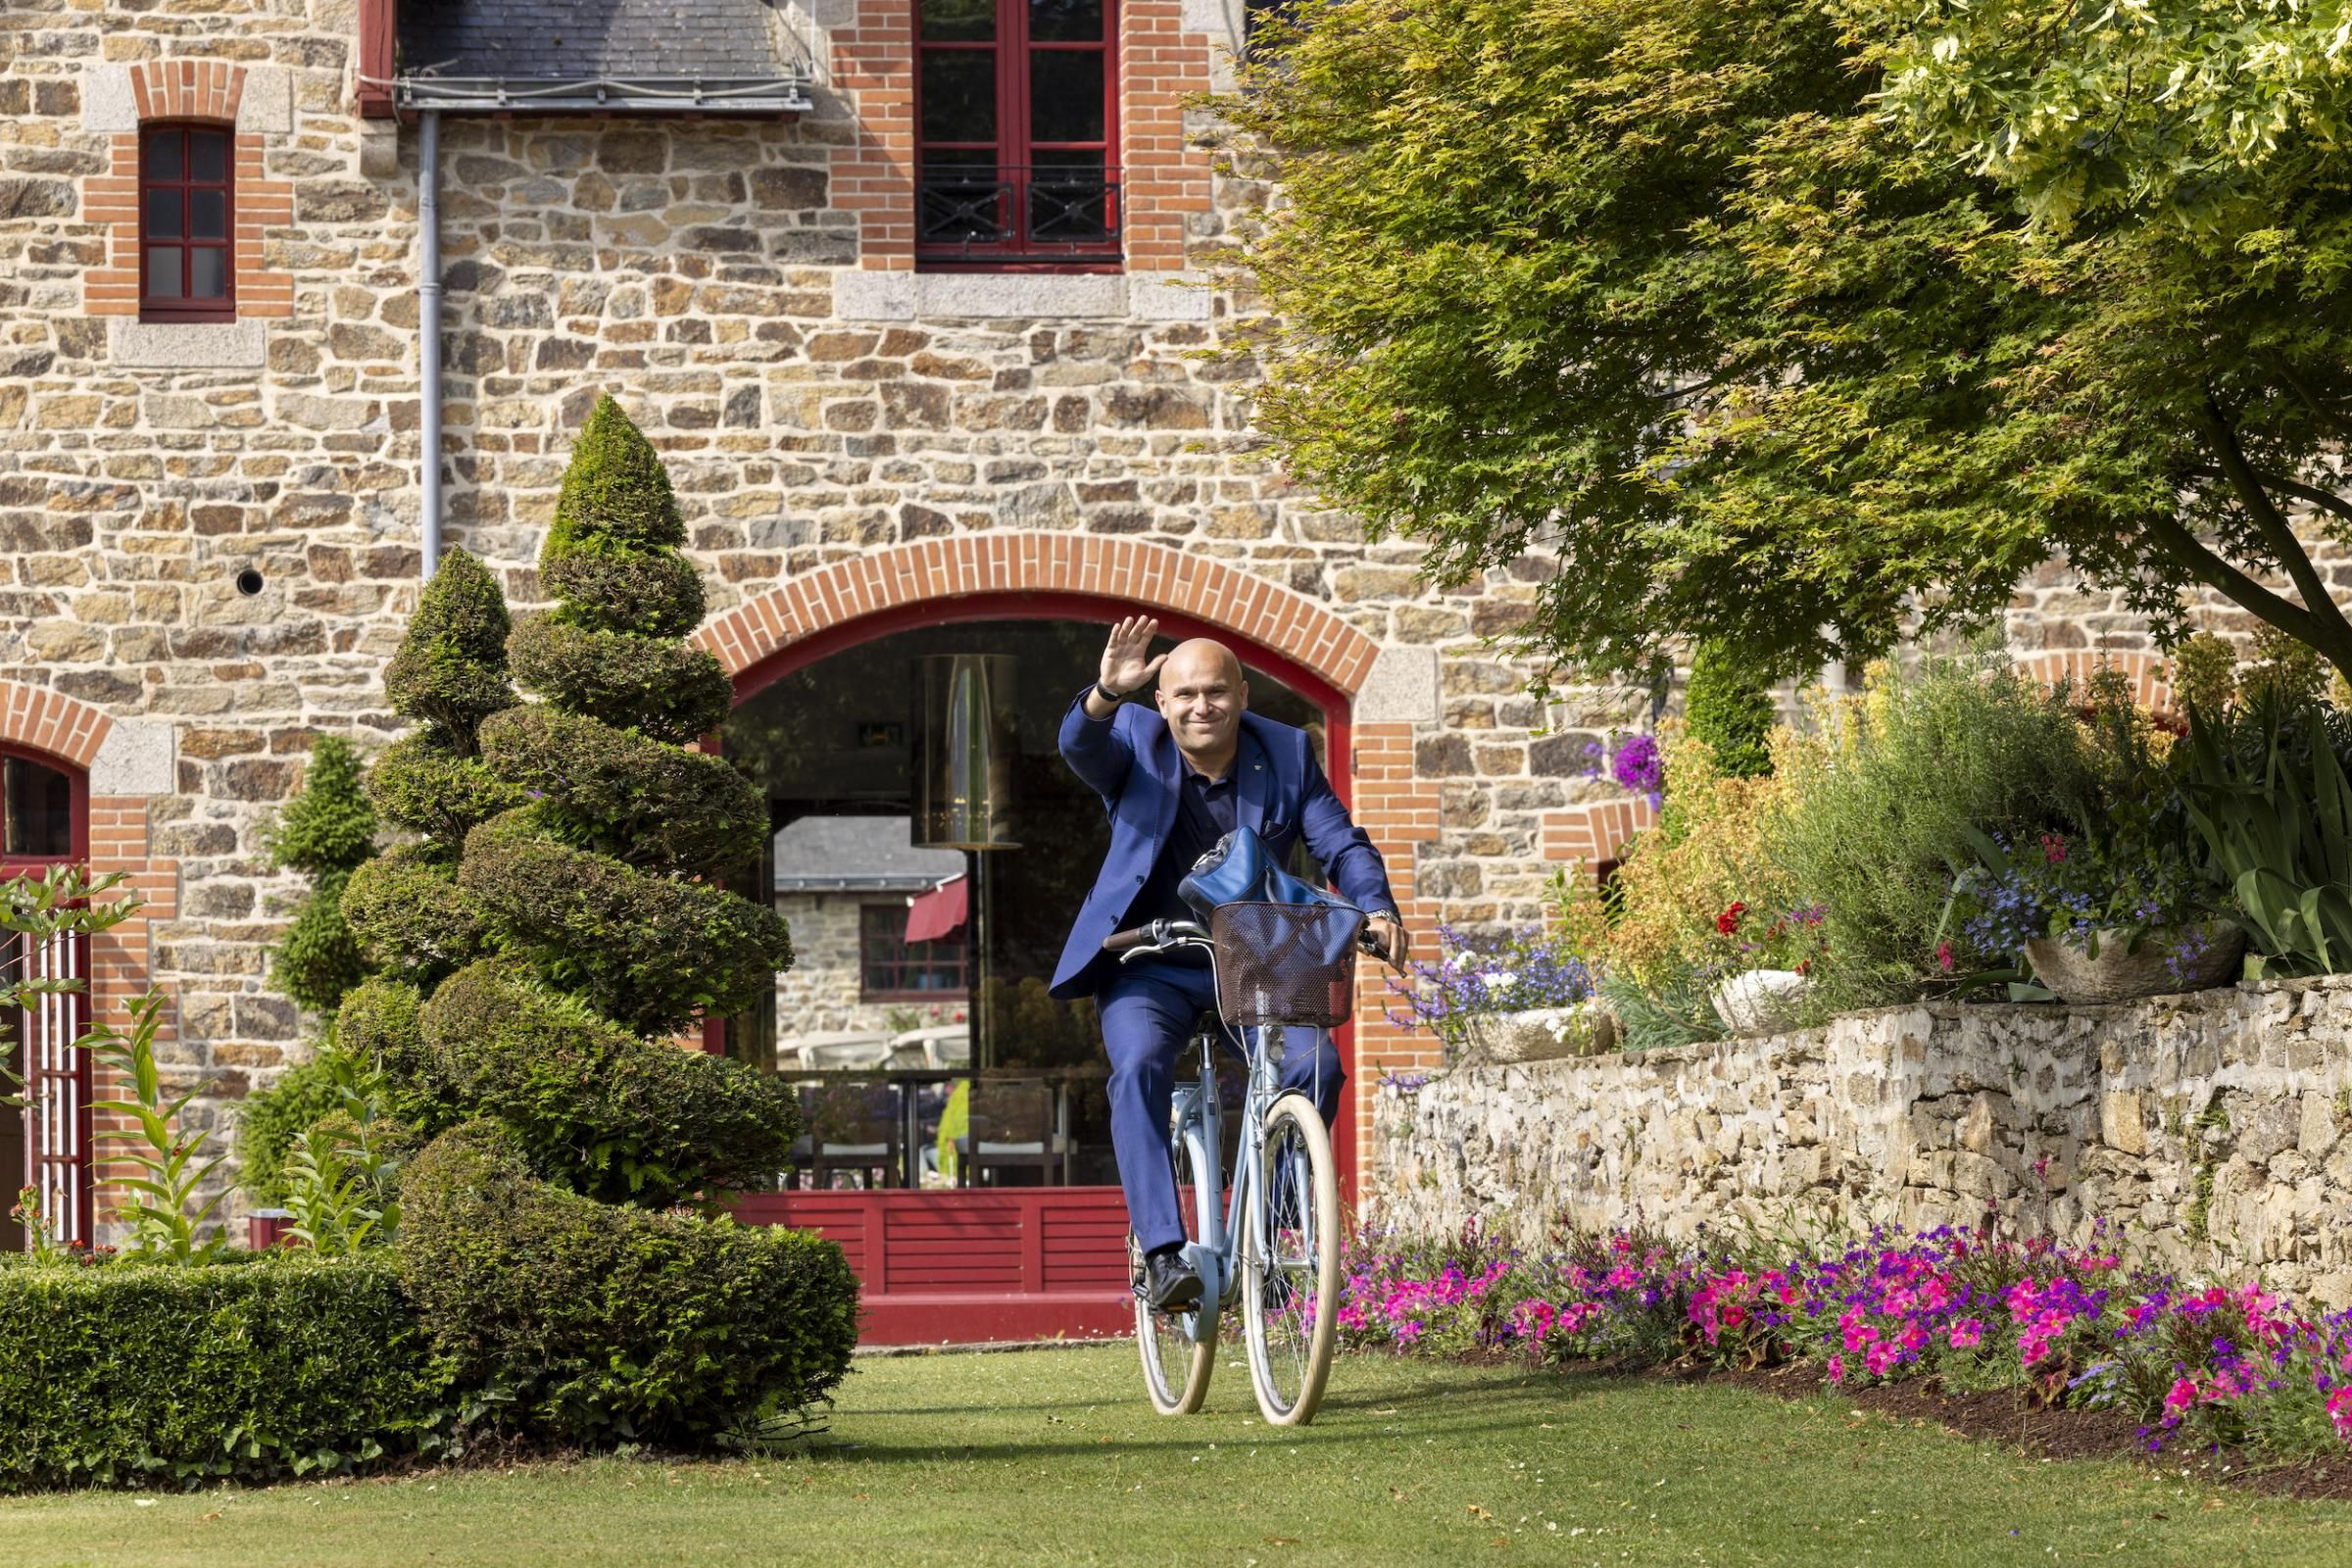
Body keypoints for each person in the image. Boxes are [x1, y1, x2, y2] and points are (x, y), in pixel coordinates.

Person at [1051, 616, 1409, 1311]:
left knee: (1318, 1067)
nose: (1199, 706)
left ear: (1242, 695)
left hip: (1256, 960)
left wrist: (1377, 906)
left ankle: (1267, 1232)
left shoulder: (1287, 752)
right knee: (1139, 1070)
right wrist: (1103, 692)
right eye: (1183, 694)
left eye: (1215, 691)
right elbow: (1079, 744)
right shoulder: (1133, 737)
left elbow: (1341, 843)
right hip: (1146, 961)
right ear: (1162, 703)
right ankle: (1161, 1254)